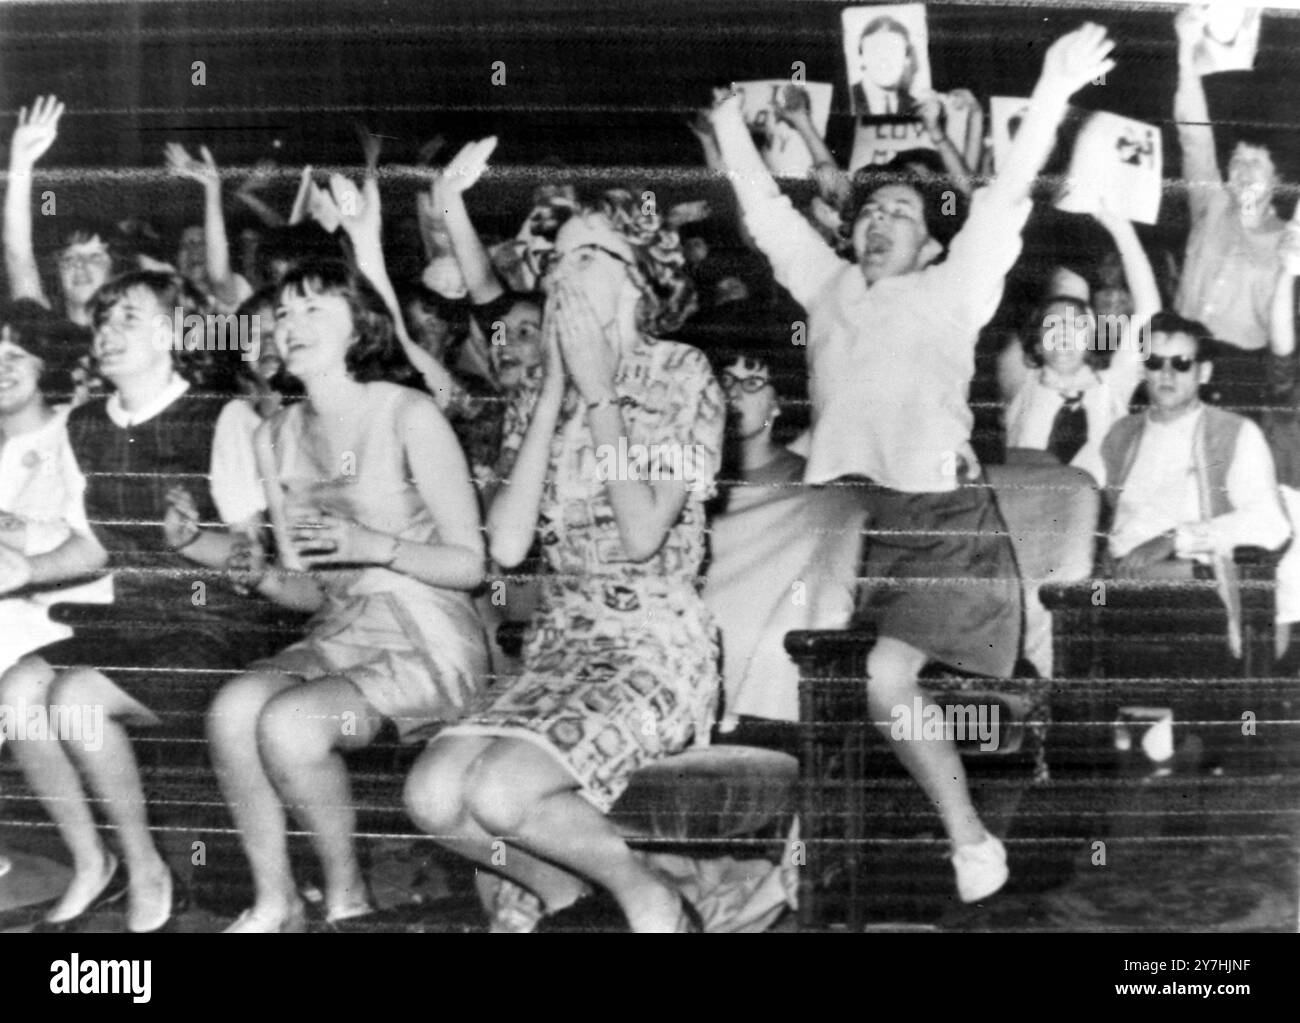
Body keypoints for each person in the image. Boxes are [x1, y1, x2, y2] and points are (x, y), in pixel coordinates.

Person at [709, 23, 1118, 903]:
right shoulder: (824, 288)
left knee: (880, 676)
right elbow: (771, 215)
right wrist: (734, 131)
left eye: (900, 214)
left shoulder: (953, 287)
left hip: (940, 534)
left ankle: (973, 843)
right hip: (843, 532)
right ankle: (788, 859)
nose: (878, 222)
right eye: (868, 213)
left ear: (934, 243)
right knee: (768, 668)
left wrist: (1052, 87)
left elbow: (1008, 193)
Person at [403, 188, 724, 933]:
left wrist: (602, 391)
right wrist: (554, 389)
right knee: (432, 796)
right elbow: (507, 546)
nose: (560, 272)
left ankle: (651, 898)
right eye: (554, 259)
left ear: (637, 280)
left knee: (499, 793)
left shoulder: (682, 373)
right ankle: (566, 901)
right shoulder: (535, 394)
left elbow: (643, 532)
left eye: (588, 254)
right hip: (563, 644)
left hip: (653, 644)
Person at [200, 269, 489, 933]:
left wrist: (374, 543)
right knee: (233, 706)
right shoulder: (273, 436)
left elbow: (470, 566)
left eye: (311, 304)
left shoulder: (408, 412)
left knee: (290, 723)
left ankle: (347, 899)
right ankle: (278, 901)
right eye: (281, 310)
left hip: (425, 628)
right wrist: (261, 576)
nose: (289, 322)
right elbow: (310, 588)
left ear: (360, 323)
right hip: (342, 627)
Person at [0, 270, 276, 933]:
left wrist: (196, 540)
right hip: (132, 616)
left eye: (128, 316)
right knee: (17, 692)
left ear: (176, 330)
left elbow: (252, 559)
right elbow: (94, 549)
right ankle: (94, 862)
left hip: (216, 622)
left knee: (76, 700)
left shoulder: (220, 415)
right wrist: (20, 570)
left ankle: (148, 867)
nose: (108, 331)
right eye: (102, 321)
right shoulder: (88, 424)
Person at [1103, 312, 1290, 655]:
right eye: (1156, 362)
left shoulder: (1233, 433)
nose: (1167, 374)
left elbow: (1272, 524)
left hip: (1197, 589)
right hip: (1117, 589)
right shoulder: (1120, 435)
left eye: (1183, 363)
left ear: (1204, 372)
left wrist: (1176, 538)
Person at [704, 353, 864, 725]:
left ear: (778, 402)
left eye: (752, 384)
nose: (733, 395)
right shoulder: (680, 481)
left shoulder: (820, 492)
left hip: (768, 675)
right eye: (725, 381)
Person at [1004, 201, 1160, 484]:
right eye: (1052, 325)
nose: (1063, 333)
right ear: (1036, 341)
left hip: (1097, 518)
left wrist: (1120, 228)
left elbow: (1149, 311)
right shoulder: (1019, 382)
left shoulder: (1113, 386)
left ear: (1090, 334)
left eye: (1074, 325)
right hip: (1023, 517)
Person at [0, 302, 112, 673]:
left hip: (63, 613)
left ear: (44, 363)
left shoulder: (78, 431)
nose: (1, 368)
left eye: (15, 355)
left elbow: (90, 542)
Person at [1172, 6, 1285, 355]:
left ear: (1278, 180)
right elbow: (1195, 135)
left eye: (1256, 163)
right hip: (1177, 353)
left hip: (1239, 370)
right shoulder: (1212, 202)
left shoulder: (1287, 239)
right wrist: (1186, 50)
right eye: (1237, 161)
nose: (1243, 171)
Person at [4, 97, 124, 330]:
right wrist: (21, 162)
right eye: (69, 258)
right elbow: (17, 255)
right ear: (57, 273)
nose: (80, 265)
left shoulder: (134, 340)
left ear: (116, 270)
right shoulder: (45, 331)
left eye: (95, 256)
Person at [851, 15, 920, 117]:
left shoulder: (916, 107)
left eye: (893, 49)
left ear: (906, 59)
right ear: (861, 58)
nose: (884, 59)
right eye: (876, 49)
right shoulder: (845, 98)